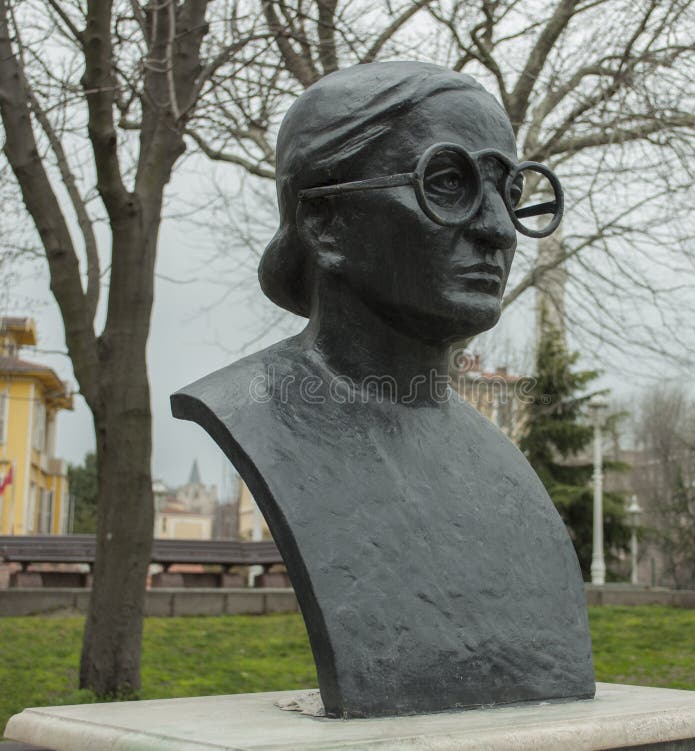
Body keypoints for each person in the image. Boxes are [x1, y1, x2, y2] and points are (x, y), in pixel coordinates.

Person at [172, 61, 593, 718]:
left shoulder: (505, 475)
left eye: (510, 192)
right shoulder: (253, 415)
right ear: (325, 224)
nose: (499, 229)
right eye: (447, 183)